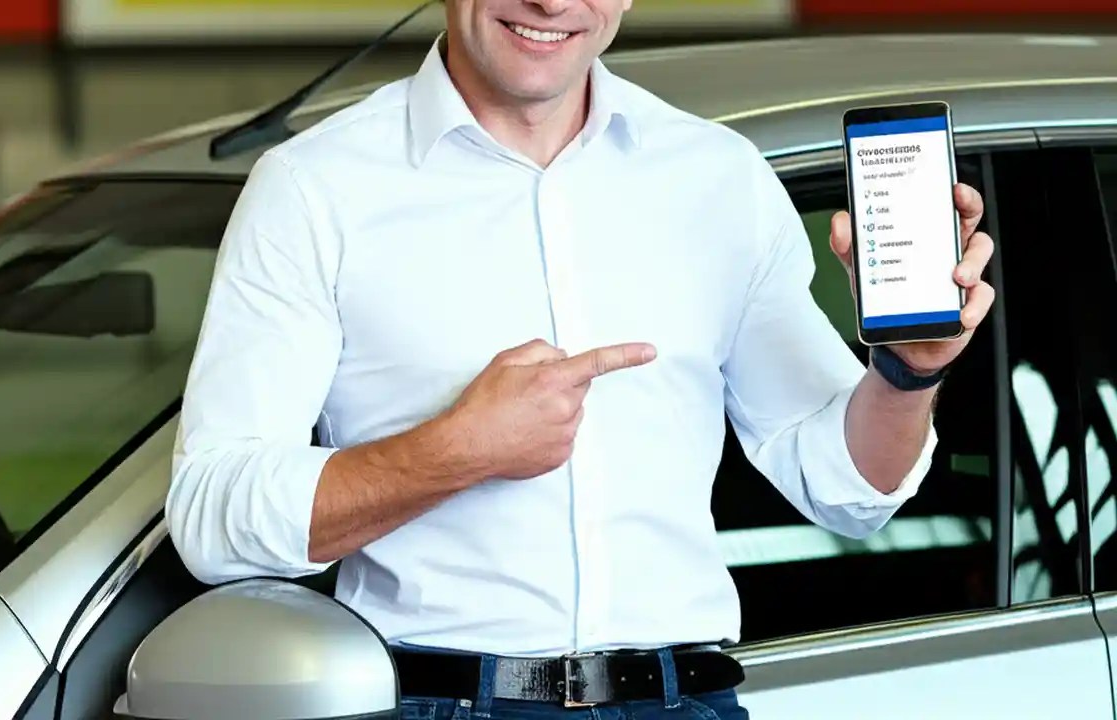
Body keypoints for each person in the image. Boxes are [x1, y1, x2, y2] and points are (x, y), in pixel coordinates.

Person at [166, 0, 997, 717]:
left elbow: (847, 490)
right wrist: (457, 453)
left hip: (686, 702)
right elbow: (211, 513)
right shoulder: (315, 188)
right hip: (438, 702)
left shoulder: (718, 178)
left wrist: (908, 371)